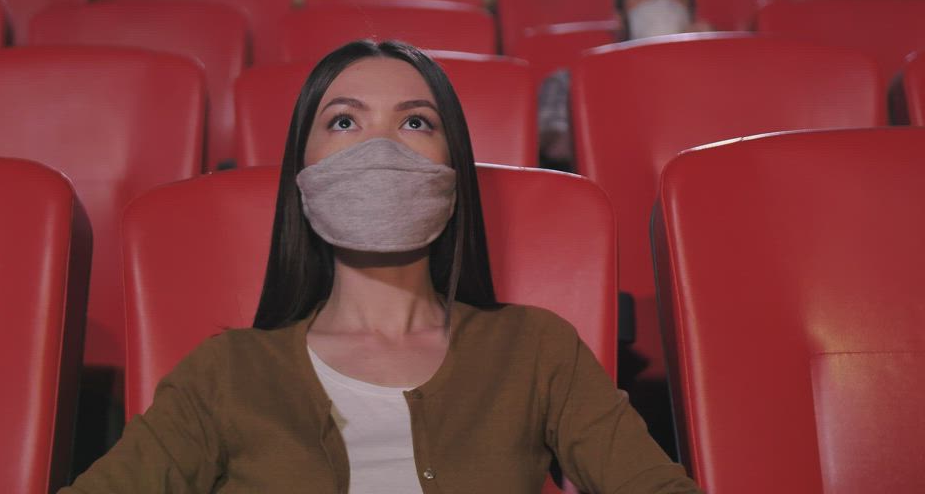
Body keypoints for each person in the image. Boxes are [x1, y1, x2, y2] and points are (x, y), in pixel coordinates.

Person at [61, 40, 702, 493]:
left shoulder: (536, 349)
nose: (379, 148)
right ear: (304, 173)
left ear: (452, 172)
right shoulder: (227, 372)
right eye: (343, 121)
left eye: (416, 122)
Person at [538, 0, 710, 166]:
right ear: (620, 18)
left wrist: (712, 59)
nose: (661, 0)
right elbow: (554, 149)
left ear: (692, 15)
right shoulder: (572, 81)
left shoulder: (721, 77)